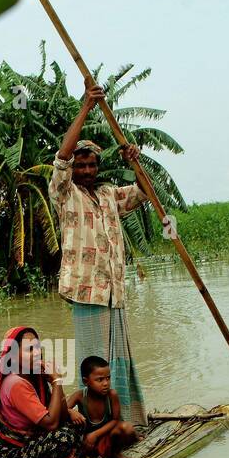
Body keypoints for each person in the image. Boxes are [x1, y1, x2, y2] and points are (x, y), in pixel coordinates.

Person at [49, 82, 151, 429]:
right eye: (82, 166)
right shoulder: (66, 195)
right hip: (86, 290)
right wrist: (86, 108)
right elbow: (61, 158)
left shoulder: (109, 195)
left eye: (92, 165)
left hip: (114, 292)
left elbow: (144, 192)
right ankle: (88, 424)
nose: (87, 171)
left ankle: (125, 420)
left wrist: (135, 162)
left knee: (118, 360)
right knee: (93, 363)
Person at [0, 326, 86, 458]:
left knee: (77, 424)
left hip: (29, 444)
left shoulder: (33, 375)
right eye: (30, 349)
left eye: (38, 347)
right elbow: (52, 424)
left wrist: (57, 387)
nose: (38, 352)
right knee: (63, 438)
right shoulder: (16, 384)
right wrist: (56, 381)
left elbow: (60, 415)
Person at [68, 355, 136, 458]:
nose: (106, 383)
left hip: (108, 435)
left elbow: (115, 420)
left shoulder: (111, 395)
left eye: (108, 378)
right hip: (89, 442)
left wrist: (94, 434)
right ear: (86, 381)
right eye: (100, 379)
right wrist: (70, 412)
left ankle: (116, 454)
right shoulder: (80, 396)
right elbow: (62, 410)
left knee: (127, 428)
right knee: (77, 454)